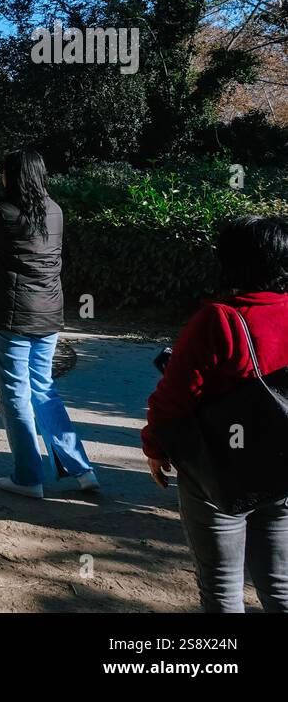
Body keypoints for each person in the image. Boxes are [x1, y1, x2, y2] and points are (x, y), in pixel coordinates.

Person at [142, 215, 288, 612]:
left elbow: (174, 398)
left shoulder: (219, 319)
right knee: (280, 586)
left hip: (219, 471)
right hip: (283, 467)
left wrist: (155, 446)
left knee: (223, 587)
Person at [0, 149, 96, 499]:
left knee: (14, 396)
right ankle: (81, 470)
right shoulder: (53, 210)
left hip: (10, 316)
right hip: (48, 315)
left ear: (10, 176)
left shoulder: (3, 213)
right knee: (43, 390)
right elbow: (18, 225)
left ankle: (28, 477)